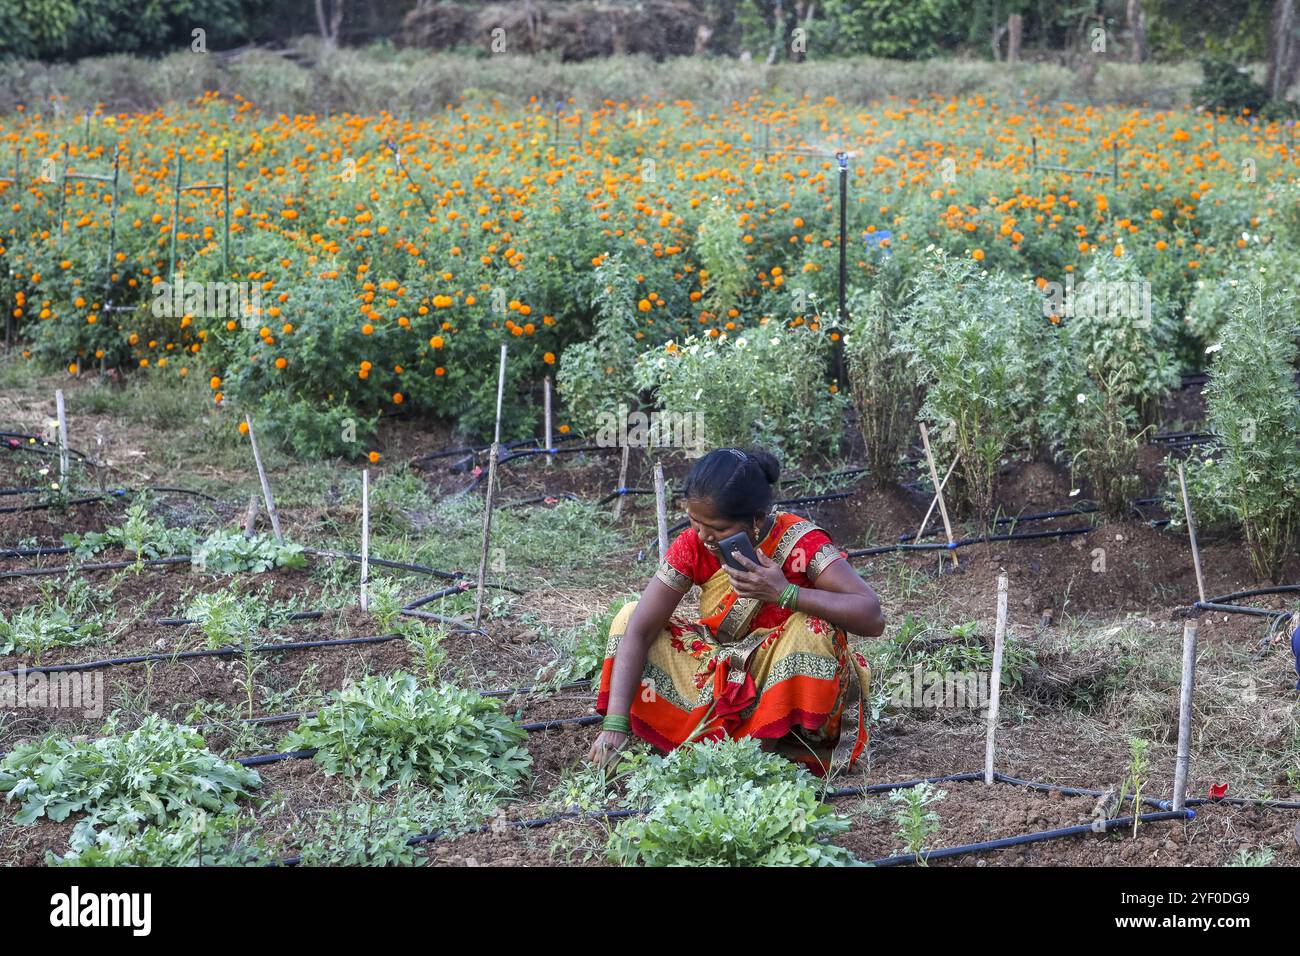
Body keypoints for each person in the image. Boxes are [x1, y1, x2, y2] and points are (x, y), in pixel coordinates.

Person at [588, 446, 886, 776]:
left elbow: (871, 616)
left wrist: (785, 593)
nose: (704, 537)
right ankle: (703, 740)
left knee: (813, 629)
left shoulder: (799, 541)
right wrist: (614, 728)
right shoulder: (693, 544)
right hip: (723, 665)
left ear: (757, 520)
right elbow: (641, 628)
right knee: (628, 616)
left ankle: (768, 752)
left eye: (717, 529)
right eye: (694, 523)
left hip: (779, 674)